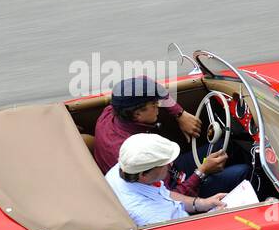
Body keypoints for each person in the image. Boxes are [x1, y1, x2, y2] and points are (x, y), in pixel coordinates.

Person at [92, 76, 249, 197]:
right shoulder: (131, 153)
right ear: (138, 114)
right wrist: (202, 172)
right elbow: (168, 197)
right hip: (172, 188)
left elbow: (147, 82)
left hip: (170, 169)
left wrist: (179, 114)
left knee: (228, 146)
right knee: (243, 172)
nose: (159, 106)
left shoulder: (112, 111)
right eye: (153, 105)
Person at [106, 134, 226, 228]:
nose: (171, 164)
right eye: (164, 164)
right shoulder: (154, 217)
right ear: (144, 175)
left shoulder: (122, 168)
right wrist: (213, 219)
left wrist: (202, 203)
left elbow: (166, 194)